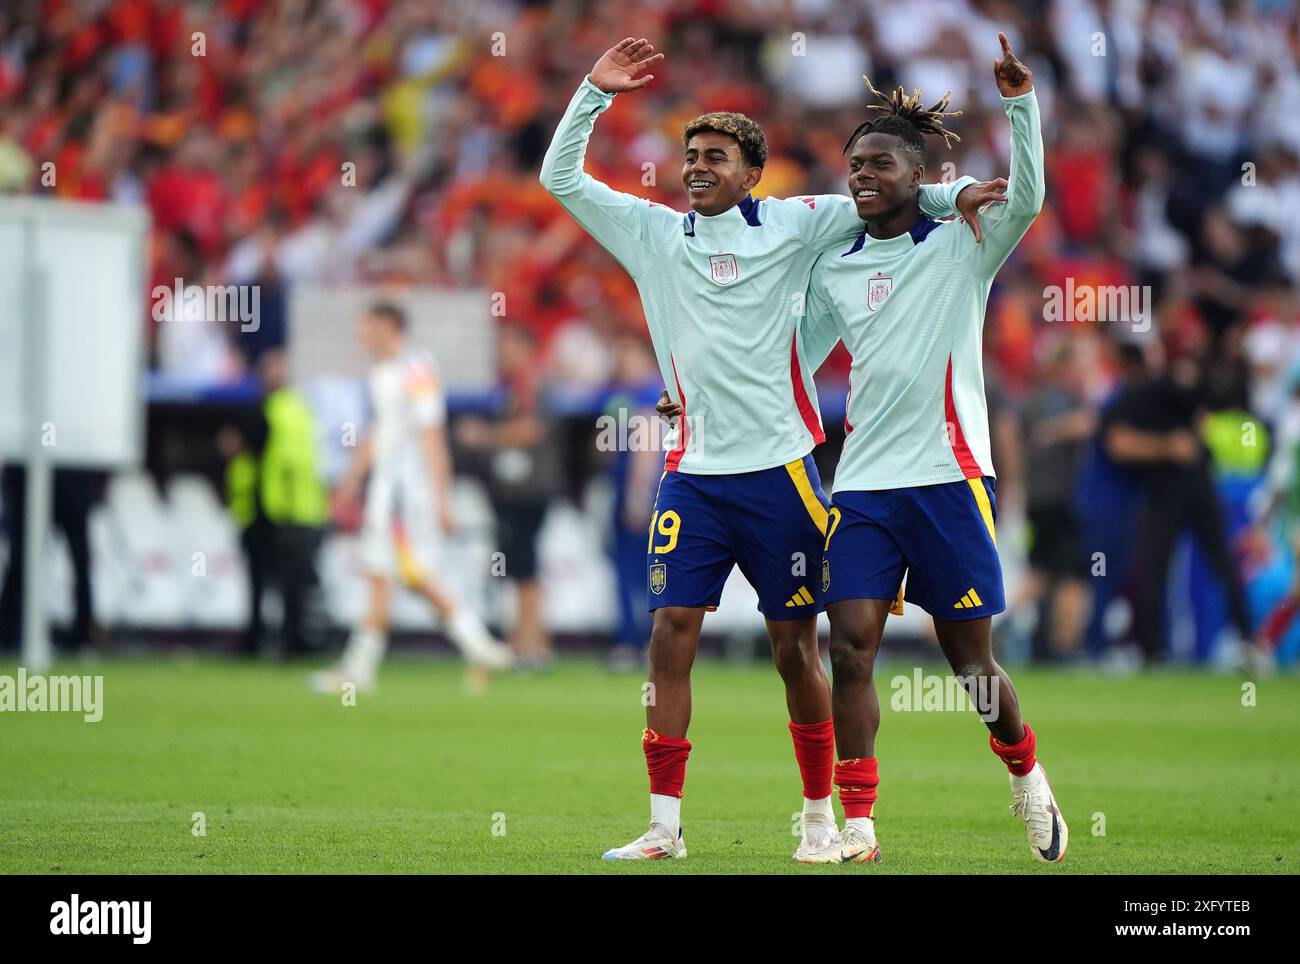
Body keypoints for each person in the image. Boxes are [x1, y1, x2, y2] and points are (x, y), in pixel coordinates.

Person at [540, 36, 1002, 862]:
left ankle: (821, 816)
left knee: (797, 648)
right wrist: (592, 92)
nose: (697, 168)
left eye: (716, 156)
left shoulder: (797, 223)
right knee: (669, 635)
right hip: (692, 473)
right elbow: (561, 180)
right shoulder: (652, 235)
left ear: (752, 172)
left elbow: (894, 195)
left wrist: (964, 192)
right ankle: (664, 826)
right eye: (690, 156)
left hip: (783, 473)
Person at [801, 34, 1067, 864]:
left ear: (919, 176)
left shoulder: (965, 242)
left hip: (950, 480)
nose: (863, 175)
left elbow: (1025, 200)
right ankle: (861, 824)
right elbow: (791, 360)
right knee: (845, 646)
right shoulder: (836, 267)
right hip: (867, 489)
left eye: (881, 163)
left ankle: (1027, 778)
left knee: (972, 668)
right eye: (855, 165)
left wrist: (1021, 106)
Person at [310, 303, 513, 695]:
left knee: (396, 574)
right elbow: (377, 432)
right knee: (399, 574)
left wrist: (441, 497)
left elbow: (432, 434)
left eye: (367, 328)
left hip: (405, 495)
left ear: (389, 326)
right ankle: (477, 645)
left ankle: (362, 669)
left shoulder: (416, 368)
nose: (363, 337)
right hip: (387, 491)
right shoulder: (382, 372)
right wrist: (352, 481)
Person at [455, 324, 562, 670]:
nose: (504, 353)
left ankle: (533, 647)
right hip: (509, 491)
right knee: (518, 567)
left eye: (511, 345)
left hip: (530, 490)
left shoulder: (538, 386)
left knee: (525, 566)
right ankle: (529, 641)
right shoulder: (506, 388)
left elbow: (531, 431)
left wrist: (484, 436)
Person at [221, 349, 329, 656]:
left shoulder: (274, 410)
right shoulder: (297, 410)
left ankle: (276, 643)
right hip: (286, 509)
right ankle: (285, 643)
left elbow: (260, 455)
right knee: (284, 583)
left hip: (279, 509)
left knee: (278, 582)